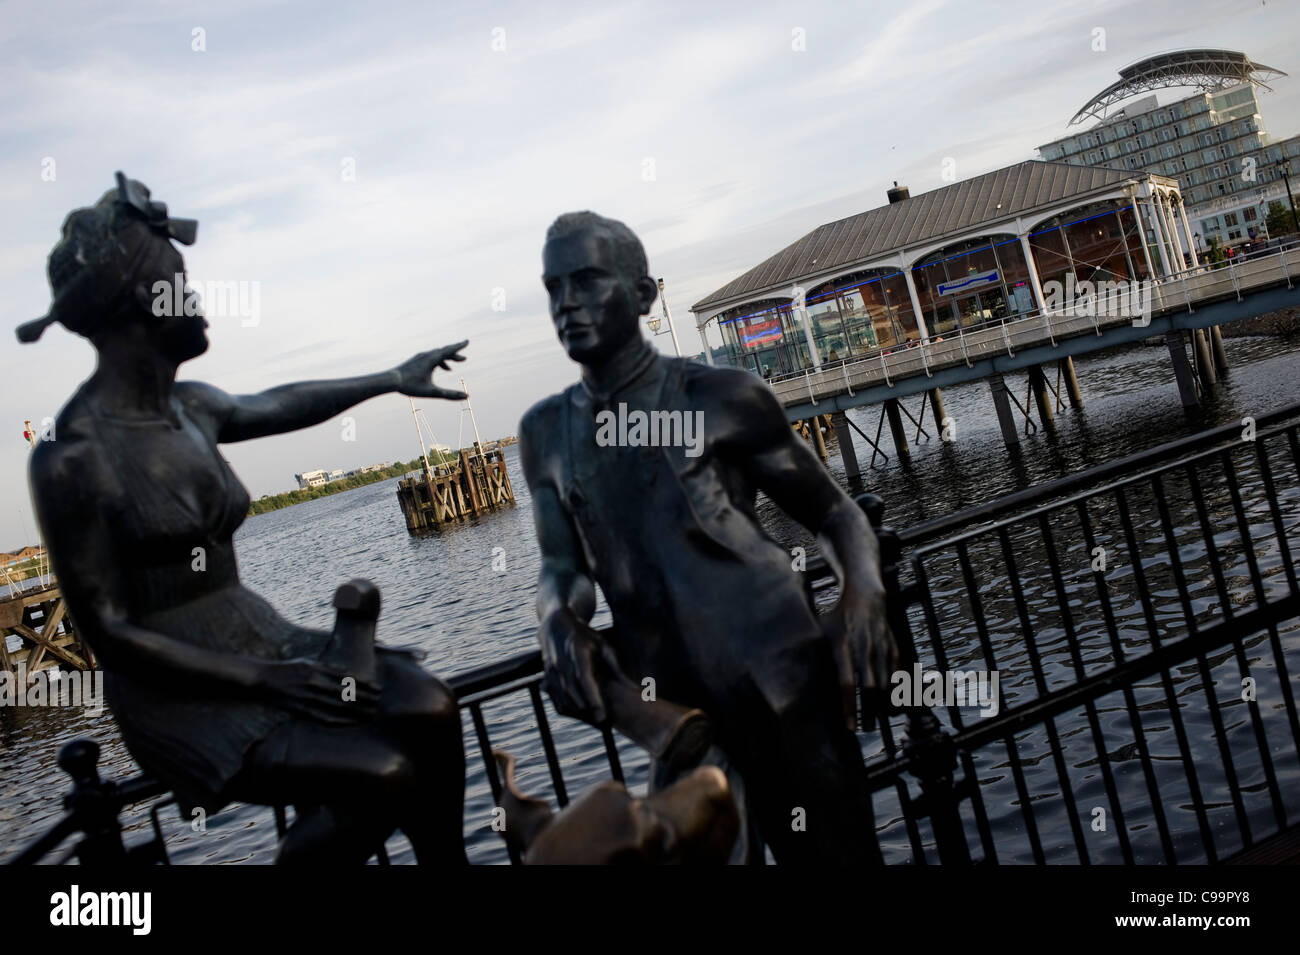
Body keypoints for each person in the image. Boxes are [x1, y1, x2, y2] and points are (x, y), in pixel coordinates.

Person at [21, 175, 470, 864]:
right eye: (179, 282)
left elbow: (281, 401)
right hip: (182, 688)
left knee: (432, 706)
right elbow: (109, 633)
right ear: (136, 300)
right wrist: (266, 681)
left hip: (260, 637)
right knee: (382, 774)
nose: (196, 298)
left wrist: (391, 378)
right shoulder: (72, 455)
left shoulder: (194, 407)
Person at [518, 211, 898, 864]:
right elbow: (563, 565)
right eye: (554, 287)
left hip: (783, 679)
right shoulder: (545, 433)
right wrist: (555, 614)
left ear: (643, 294)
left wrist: (863, 591)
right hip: (675, 714)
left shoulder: (722, 396)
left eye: (587, 281)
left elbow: (834, 513)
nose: (567, 303)